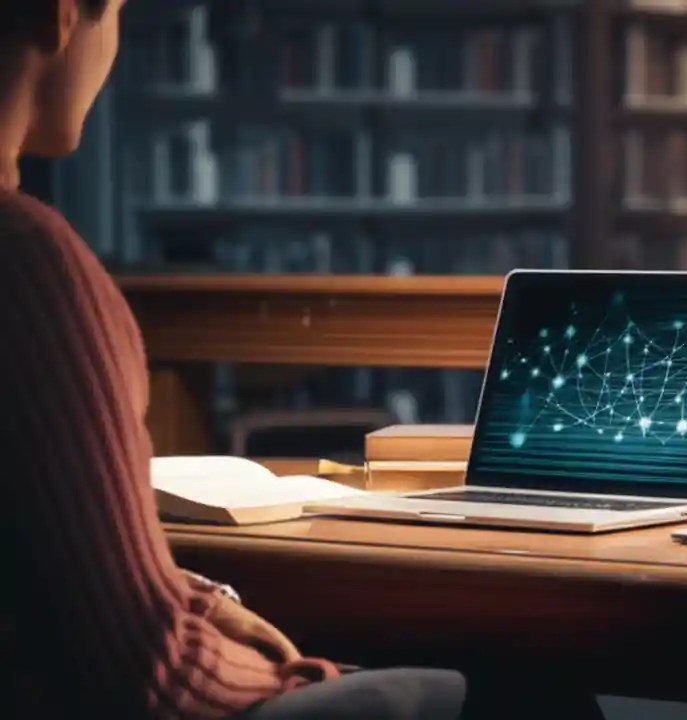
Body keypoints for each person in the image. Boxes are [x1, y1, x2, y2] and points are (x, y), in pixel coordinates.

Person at [0, 2, 466, 717]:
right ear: (63, 16)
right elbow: (150, 678)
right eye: (118, 11)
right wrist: (311, 683)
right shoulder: (28, 268)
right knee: (530, 691)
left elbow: (36, 565)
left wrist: (204, 601)